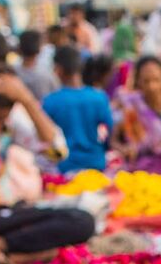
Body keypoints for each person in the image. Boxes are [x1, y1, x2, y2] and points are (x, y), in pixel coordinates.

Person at [0, 69, 95, 258]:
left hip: (5, 214)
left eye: (1, 121)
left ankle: (0, 247)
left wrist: (26, 100)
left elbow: (57, 151)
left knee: (81, 220)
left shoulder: (7, 125)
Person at [41, 45, 113, 176]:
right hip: (96, 164)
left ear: (58, 70)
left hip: (64, 167)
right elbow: (110, 133)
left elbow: (44, 139)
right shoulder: (99, 97)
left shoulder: (50, 101)